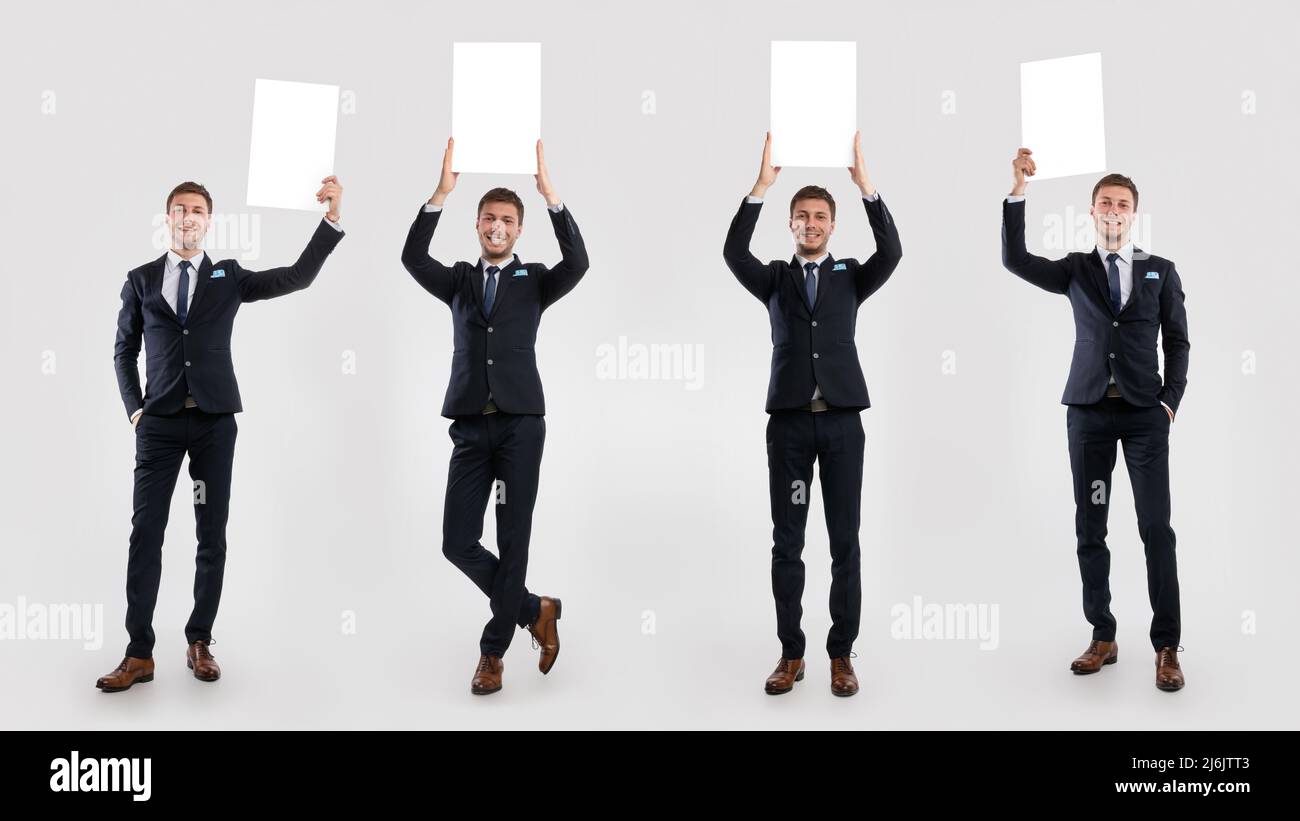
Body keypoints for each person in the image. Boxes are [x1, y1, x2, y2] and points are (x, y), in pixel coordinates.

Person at [98, 177, 346, 692]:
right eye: (179, 210)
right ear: (167, 218)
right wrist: (135, 412)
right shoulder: (141, 280)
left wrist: (330, 220)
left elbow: (296, 277)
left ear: (209, 220)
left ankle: (199, 641)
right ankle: (139, 652)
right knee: (146, 533)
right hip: (160, 426)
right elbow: (123, 351)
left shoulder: (228, 277)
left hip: (214, 424)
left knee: (211, 534)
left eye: (197, 210)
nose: (188, 217)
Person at [401, 138, 589, 695]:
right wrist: (440, 193)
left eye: (507, 219)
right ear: (477, 226)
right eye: (488, 218)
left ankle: (492, 653)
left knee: (513, 539)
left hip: (521, 425)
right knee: (457, 540)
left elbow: (578, 262)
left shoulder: (535, 281)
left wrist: (551, 195)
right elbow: (413, 259)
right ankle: (537, 609)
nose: (497, 226)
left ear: (518, 228)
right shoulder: (458, 280)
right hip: (469, 425)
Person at [1000, 147, 1190, 691]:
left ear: (1134, 214)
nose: (1113, 209)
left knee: (1156, 528)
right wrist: (1019, 191)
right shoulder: (1077, 269)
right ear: (1092, 212)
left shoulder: (1160, 271)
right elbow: (1016, 260)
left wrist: (1169, 401)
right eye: (1105, 202)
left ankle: (1167, 646)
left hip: (1144, 418)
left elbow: (1178, 342)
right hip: (1087, 414)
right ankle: (1102, 635)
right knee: (1092, 526)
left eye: (1122, 203)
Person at [723, 131, 902, 697]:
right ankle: (791, 652)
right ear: (791, 224)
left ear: (832, 224)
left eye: (819, 216)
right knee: (789, 541)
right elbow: (733, 253)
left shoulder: (851, 275)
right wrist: (762, 186)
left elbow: (892, 252)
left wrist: (865, 187)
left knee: (844, 539)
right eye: (800, 216)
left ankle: (842, 653)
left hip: (843, 423)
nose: (809, 223)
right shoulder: (774, 278)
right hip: (791, 426)